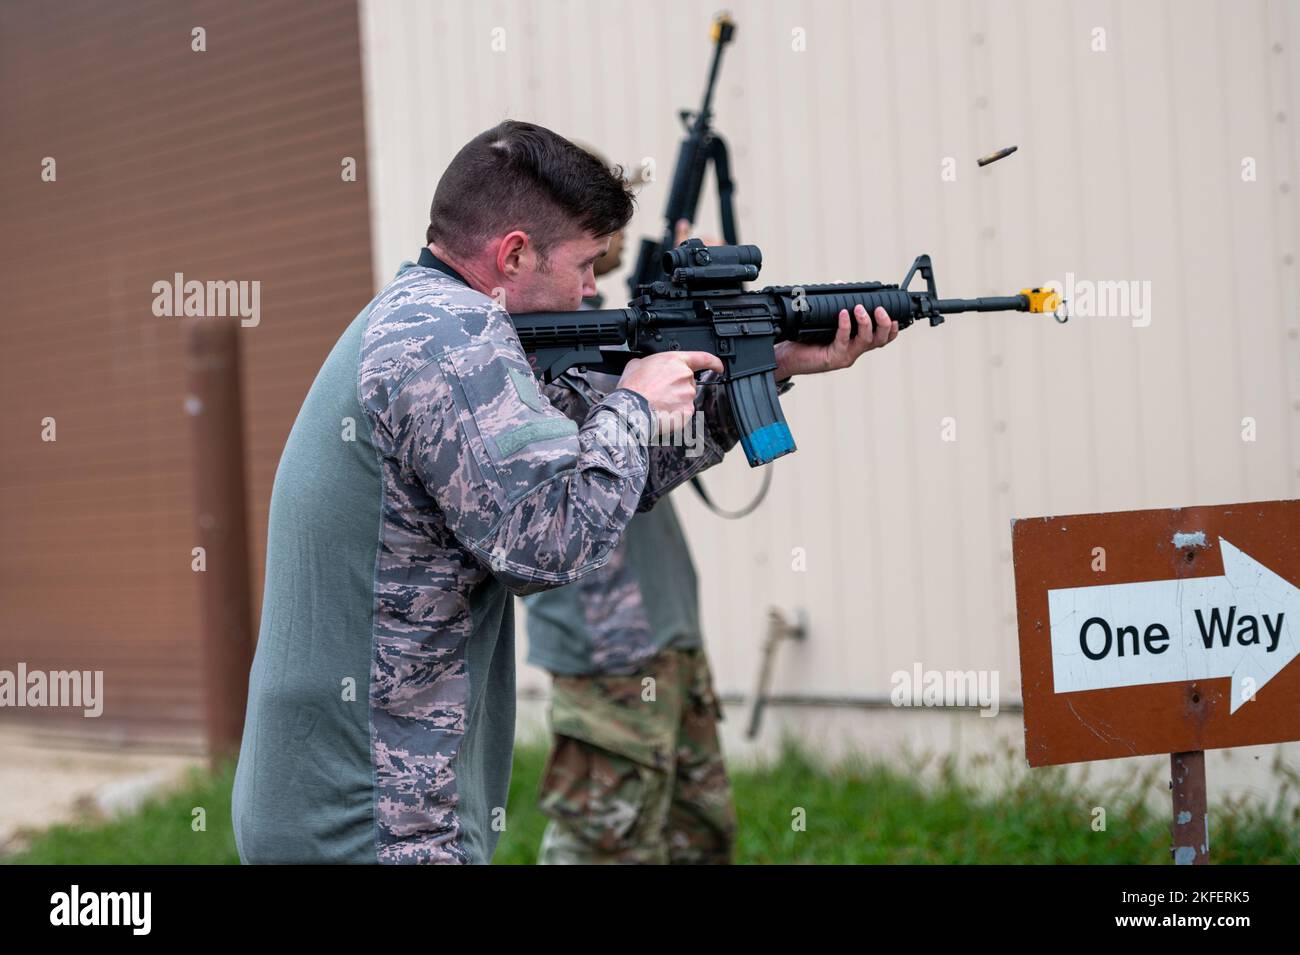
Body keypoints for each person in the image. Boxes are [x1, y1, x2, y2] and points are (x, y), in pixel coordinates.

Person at [231, 120, 897, 864]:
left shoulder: (439, 320)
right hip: (367, 814)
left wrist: (767, 367)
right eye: (586, 264)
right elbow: (548, 541)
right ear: (513, 253)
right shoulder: (449, 337)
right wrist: (636, 402)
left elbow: (608, 474)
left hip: (370, 797)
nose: (591, 289)